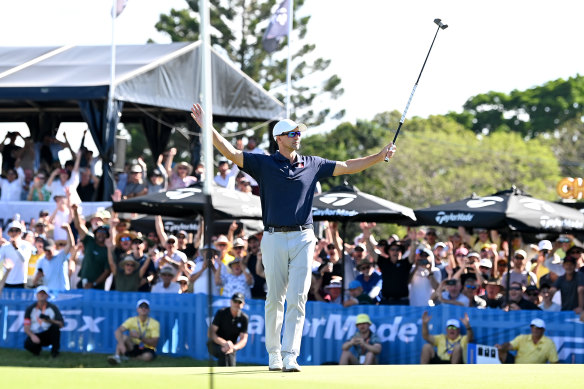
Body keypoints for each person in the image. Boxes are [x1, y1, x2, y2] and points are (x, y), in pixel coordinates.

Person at [191, 103, 396, 372]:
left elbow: (348, 166)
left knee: (298, 298)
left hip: (303, 237)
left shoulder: (313, 164)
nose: (297, 136)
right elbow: (229, 151)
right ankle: (274, 354)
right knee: (275, 298)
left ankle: (290, 355)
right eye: (291, 133)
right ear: (278, 139)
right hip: (274, 236)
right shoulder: (263, 163)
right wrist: (208, 127)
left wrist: (379, 156)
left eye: (298, 133)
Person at [108, 299, 160, 365]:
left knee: (147, 357)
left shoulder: (155, 323)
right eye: (141, 307)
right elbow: (118, 331)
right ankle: (117, 356)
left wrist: (139, 337)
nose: (143, 309)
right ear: (137, 309)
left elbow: (154, 343)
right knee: (123, 337)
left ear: (149, 310)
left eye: (146, 307)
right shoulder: (132, 320)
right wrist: (121, 344)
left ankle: (130, 358)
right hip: (133, 346)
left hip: (147, 348)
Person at [207, 292, 249, 366]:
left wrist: (233, 347)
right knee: (224, 350)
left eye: (239, 302)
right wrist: (224, 343)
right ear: (231, 302)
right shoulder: (221, 313)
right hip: (215, 344)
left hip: (231, 347)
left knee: (230, 361)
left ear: (243, 304)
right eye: (235, 301)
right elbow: (211, 333)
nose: (237, 304)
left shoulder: (244, 318)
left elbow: (244, 340)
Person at [23, 286, 64, 357]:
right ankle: (36, 352)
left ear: (47, 295)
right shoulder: (30, 308)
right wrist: (32, 336)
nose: (42, 295)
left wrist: (50, 320)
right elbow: (26, 326)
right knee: (27, 343)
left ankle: (55, 353)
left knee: (55, 328)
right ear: (36, 295)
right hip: (36, 334)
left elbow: (61, 324)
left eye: (44, 293)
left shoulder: (53, 308)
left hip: (48, 334)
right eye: (40, 293)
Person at [0, 220, 34, 288]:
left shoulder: (26, 245)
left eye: (16, 230)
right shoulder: (5, 246)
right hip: (7, 281)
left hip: (21, 282)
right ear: (8, 233)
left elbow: (24, 259)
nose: (14, 232)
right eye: (12, 230)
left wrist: (16, 248)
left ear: (20, 232)